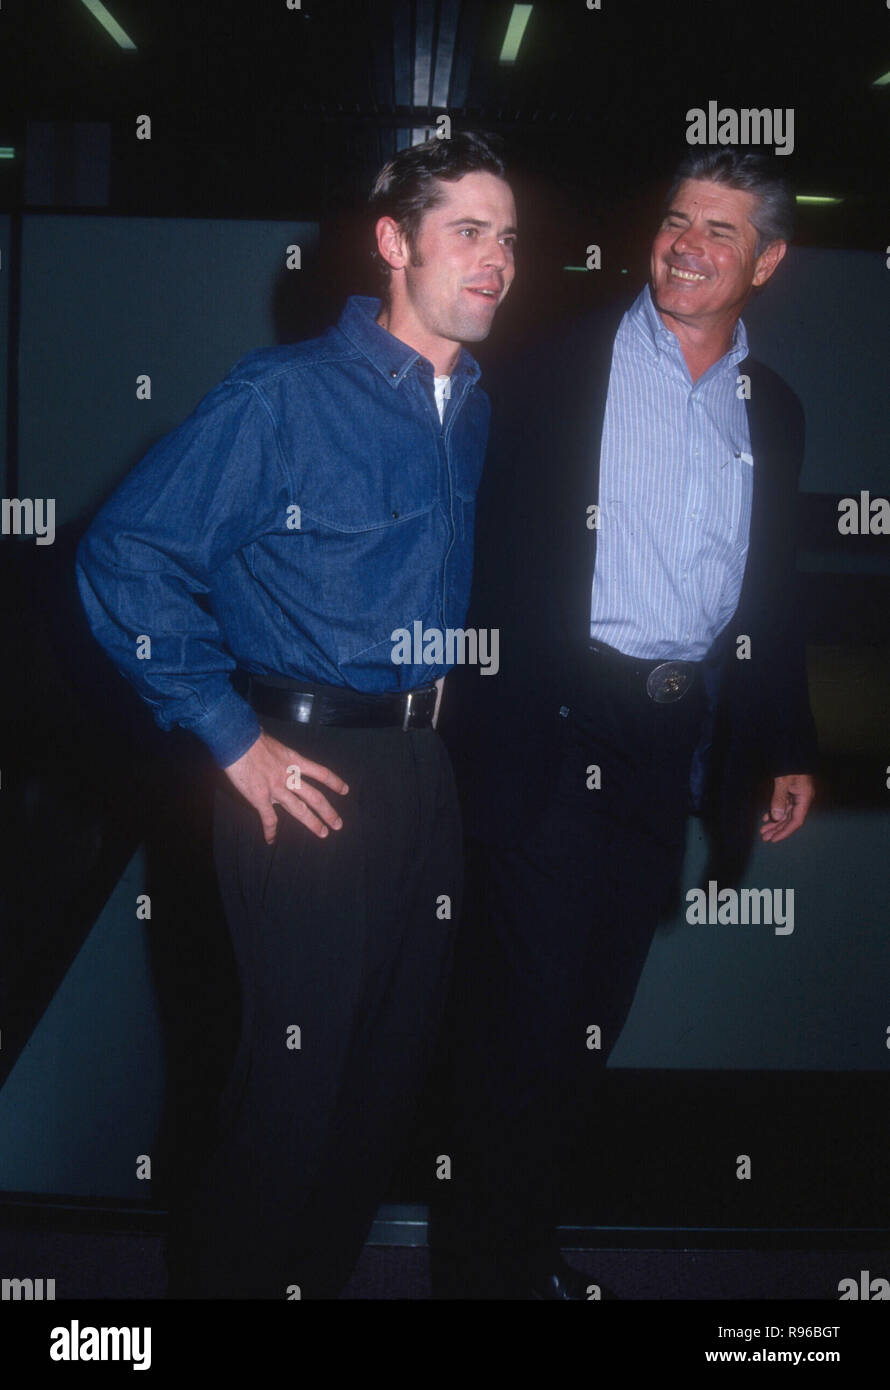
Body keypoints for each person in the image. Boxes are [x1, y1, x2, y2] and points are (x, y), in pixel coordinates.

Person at [75, 131, 517, 1299]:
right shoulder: (282, 399)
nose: (495, 259)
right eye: (467, 230)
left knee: (376, 1095)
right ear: (392, 242)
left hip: (423, 772)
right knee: (290, 1101)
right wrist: (229, 734)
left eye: (508, 236)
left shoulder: (464, 401)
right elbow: (125, 557)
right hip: (303, 769)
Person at [430, 148, 818, 1300]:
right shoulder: (553, 368)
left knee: (588, 1020)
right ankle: (482, 1277)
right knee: (527, 1027)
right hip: (556, 728)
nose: (686, 244)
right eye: (675, 220)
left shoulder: (772, 409)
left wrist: (783, 739)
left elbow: (769, 589)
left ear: (768, 259)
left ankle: (520, 1251)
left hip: (668, 739)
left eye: (719, 229)